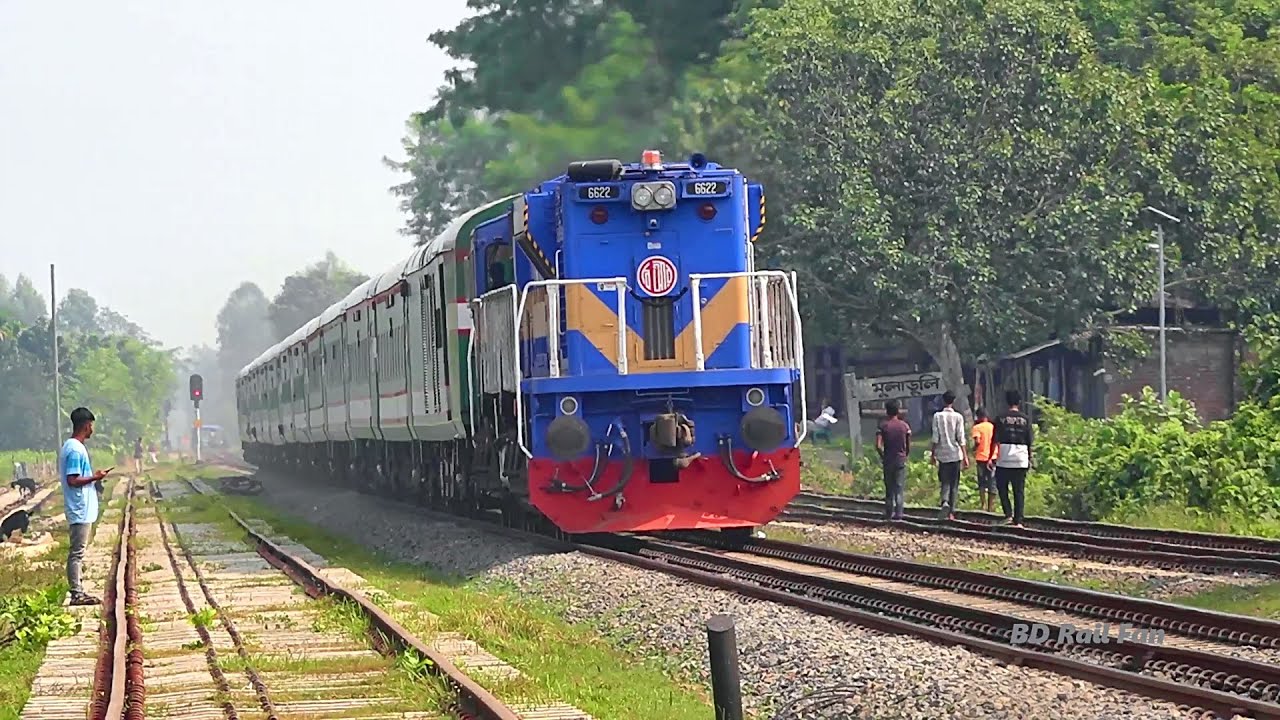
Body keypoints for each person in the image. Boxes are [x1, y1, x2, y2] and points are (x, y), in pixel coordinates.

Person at [61, 407, 112, 606]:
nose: (92, 429)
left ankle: (78, 590)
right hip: (79, 508)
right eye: (91, 425)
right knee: (77, 552)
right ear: (86, 425)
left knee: (78, 551)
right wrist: (95, 477)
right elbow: (73, 480)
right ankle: (76, 593)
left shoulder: (73, 446)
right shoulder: (74, 449)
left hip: (82, 507)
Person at [990, 390, 1033, 527]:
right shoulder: (1026, 419)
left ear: (1006, 402)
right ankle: (1019, 520)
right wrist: (1029, 459)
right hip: (1021, 458)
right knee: (1018, 490)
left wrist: (992, 457)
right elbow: (1029, 442)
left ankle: (1008, 514)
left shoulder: (1000, 418)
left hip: (1004, 458)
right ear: (1019, 402)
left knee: (1002, 487)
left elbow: (994, 440)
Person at [930, 390, 968, 520]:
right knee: (954, 483)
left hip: (943, 454)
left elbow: (935, 438)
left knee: (945, 481)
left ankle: (944, 502)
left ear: (943, 401)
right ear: (953, 401)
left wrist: (932, 454)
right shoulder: (958, 417)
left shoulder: (937, 416)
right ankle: (952, 511)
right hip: (955, 455)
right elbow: (961, 438)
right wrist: (965, 457)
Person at [875, 399, 911, 521]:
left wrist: (883, 456)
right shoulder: (904, 426)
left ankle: (888, 513)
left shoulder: (883, 426)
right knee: (899, 488)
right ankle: (899, 514)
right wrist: (905, 455)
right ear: (898, 411)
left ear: (887, 411)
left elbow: (878, 445)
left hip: (888, 460)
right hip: (900, 459)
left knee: (889, 489)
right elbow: (908, 445)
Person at [971, 408, 996, 512]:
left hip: (981, 458)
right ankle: (991, 507)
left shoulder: (977, 427)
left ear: (978, 416)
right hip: (993, 458)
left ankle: (983, 505)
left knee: (982, 482)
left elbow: (977, 441)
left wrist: (973, 449)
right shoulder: (993, 426)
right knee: (992, 482)